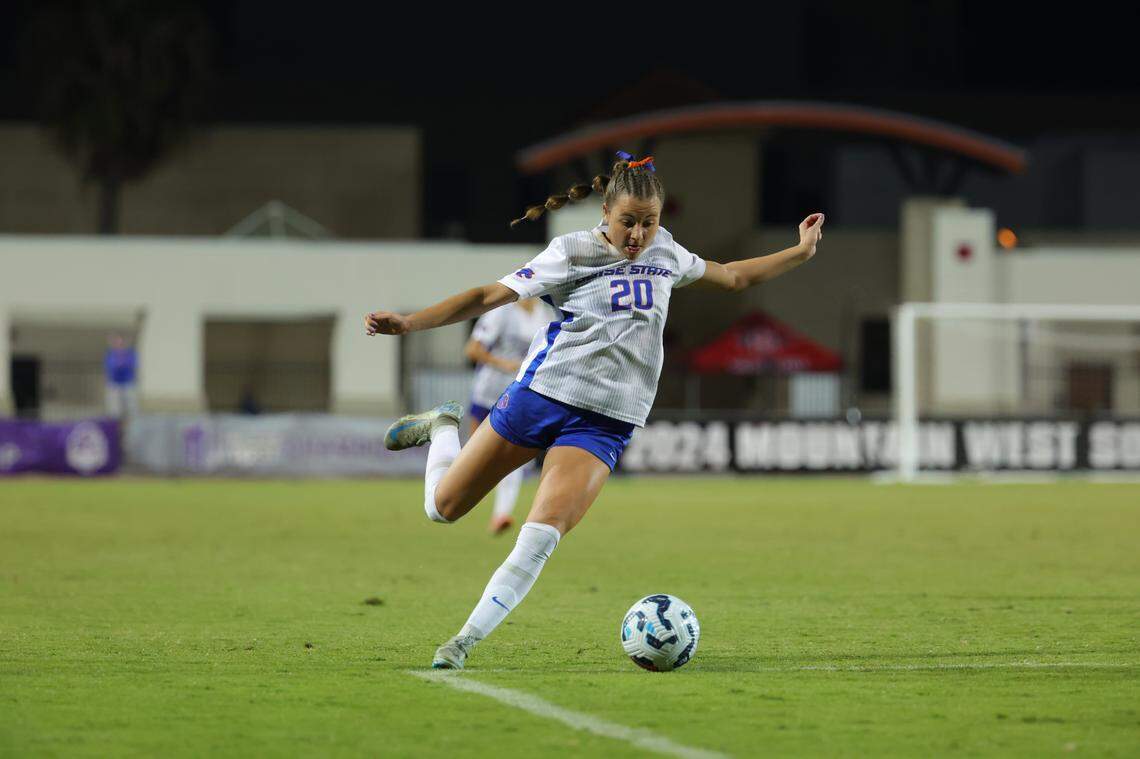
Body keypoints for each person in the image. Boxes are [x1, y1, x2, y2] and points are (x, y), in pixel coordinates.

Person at [365, 153, 824, 669]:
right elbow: (485, 294)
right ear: (606, 211)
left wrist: (800, 252)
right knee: (442, 509)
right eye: (628, 221)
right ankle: (445, 427)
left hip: (604, 421)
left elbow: (734, 277)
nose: (638, 234)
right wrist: (409, 323)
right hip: (541, 396)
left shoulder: (667, 251)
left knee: (539, 537)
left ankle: (461, 644)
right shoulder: (571, 251)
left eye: (649, 222)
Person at [464, 297, 554, 535]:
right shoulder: (500, 313)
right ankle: (446, 494)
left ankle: (501, 514)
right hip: (488, 392)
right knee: (473, 457)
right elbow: (472, 350)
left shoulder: (545, 313)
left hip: (521, 392)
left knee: (512, 452)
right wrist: (500, 363)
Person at [103, 333, 138, 418]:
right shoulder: (110, 354)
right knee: (114, 409)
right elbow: (110, 367)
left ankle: (132, 422)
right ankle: (115, 422)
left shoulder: (130, 353)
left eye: (121, 343)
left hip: (128, 383)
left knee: (131, 406)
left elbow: (132, 365)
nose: (119, 345)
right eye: (117, 343)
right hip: (114, 383)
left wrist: (122, 363)